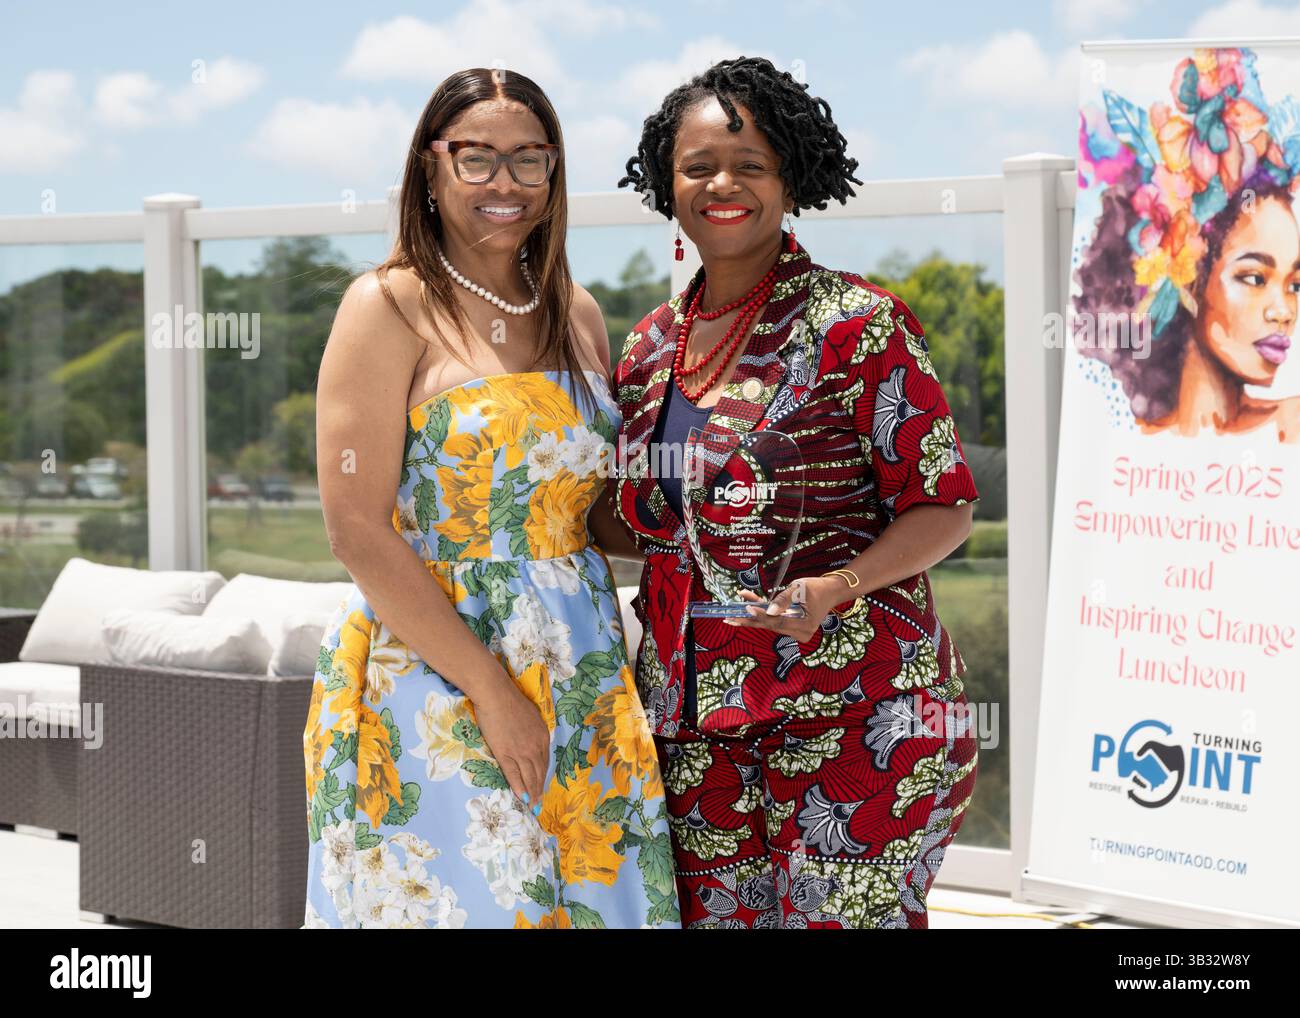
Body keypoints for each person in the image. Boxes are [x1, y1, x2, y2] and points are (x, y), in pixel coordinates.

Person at [301, 67, 677, 929]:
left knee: (592, 904)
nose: (504, 183)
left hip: (581, 662)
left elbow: (580, 513)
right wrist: (492, 693)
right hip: (437, 670)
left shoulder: (575, 311)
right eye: (477, 158)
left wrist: (723, 521)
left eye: (529, 159)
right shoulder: (386, 306)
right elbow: (355, 530)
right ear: (429, 167)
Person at [611, 56, 981, 928]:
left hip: (859, 714)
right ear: (669, 187)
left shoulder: (855, 325)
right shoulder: (647, 348)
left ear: (791, 180)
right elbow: (643, 521)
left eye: (751, 165)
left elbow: (944, 504)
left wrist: (835, 588)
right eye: (698, 167)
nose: (723, 184)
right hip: (693, 730)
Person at [1074, 46, 1300, 441]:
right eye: (1254, 277)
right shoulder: (1119, 443)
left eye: (1295, 285)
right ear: (1190, 279)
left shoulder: (1291, 429)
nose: (1284, 312)